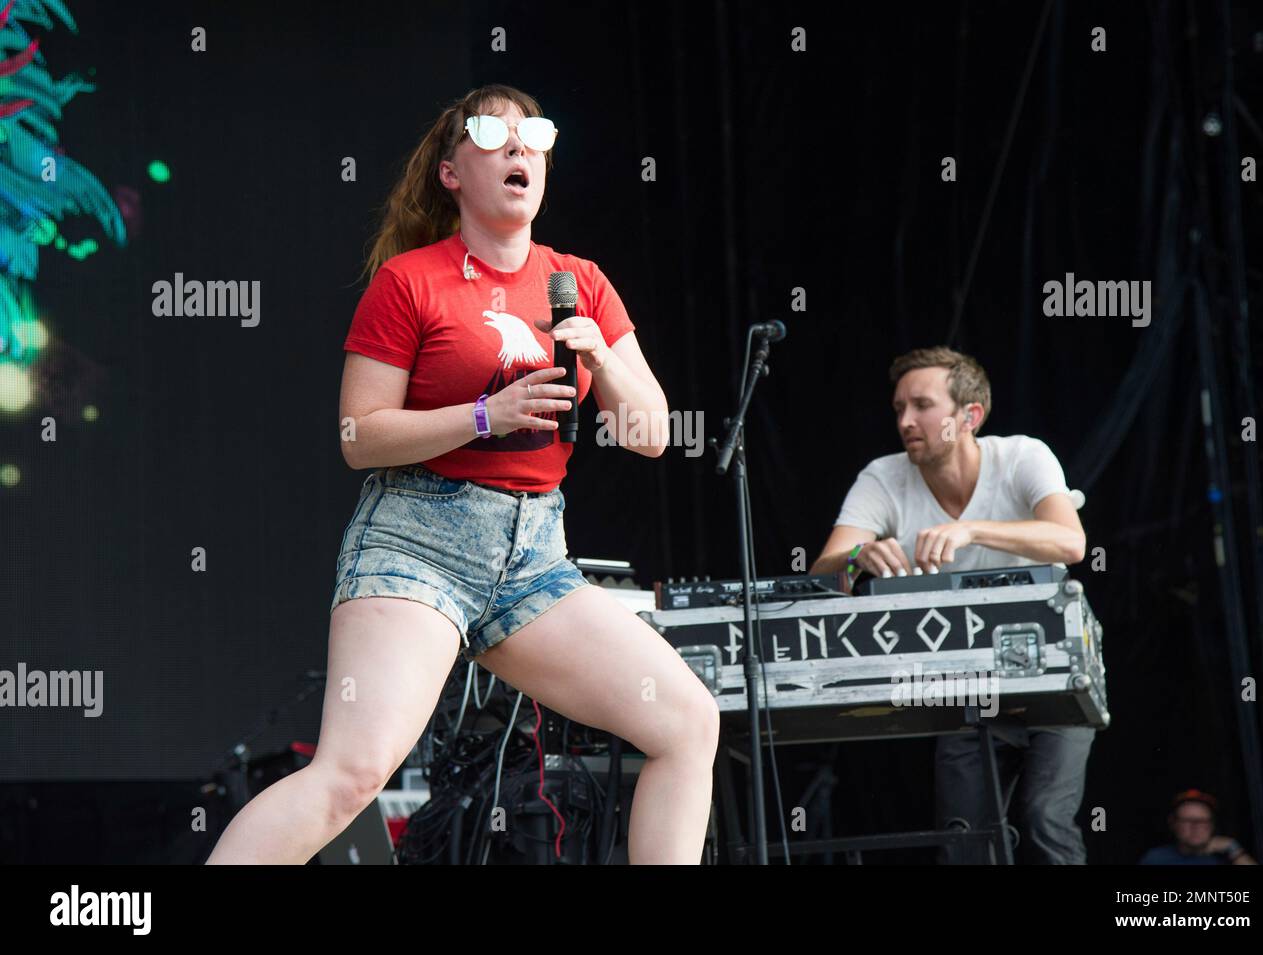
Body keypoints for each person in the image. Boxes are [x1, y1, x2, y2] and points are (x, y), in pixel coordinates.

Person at [206, 84, 719, 864]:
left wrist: (604, 354)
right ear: (451, 173)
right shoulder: (412, 280)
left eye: (535, 135)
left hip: (533, 553)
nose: (520, 148)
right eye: (492, 133)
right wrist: (489, 414)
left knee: (688, 723)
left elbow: (649, 435)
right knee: (351, 774)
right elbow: (359, 434)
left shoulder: (580, 280)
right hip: (419, 538)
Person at [810, 346, 1091, 863]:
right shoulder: (883, 475)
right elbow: (825, 571)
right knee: (965, 837)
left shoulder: (1022, 456)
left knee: (1045, 817)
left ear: (970, 416)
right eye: (898, 408)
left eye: (921, 405)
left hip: (1052, 671)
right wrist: (858, 556)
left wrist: (970, 530)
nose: (906, 420)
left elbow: (1071, 543)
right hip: (965, 682)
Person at [1138, 789, 1257, 864]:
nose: (1196, 827)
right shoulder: (1156, 859)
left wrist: (1234, 850)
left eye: (1202, 821)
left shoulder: (1228, 857)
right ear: (1173, 824)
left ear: (1212, 825)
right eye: (1187, 820)